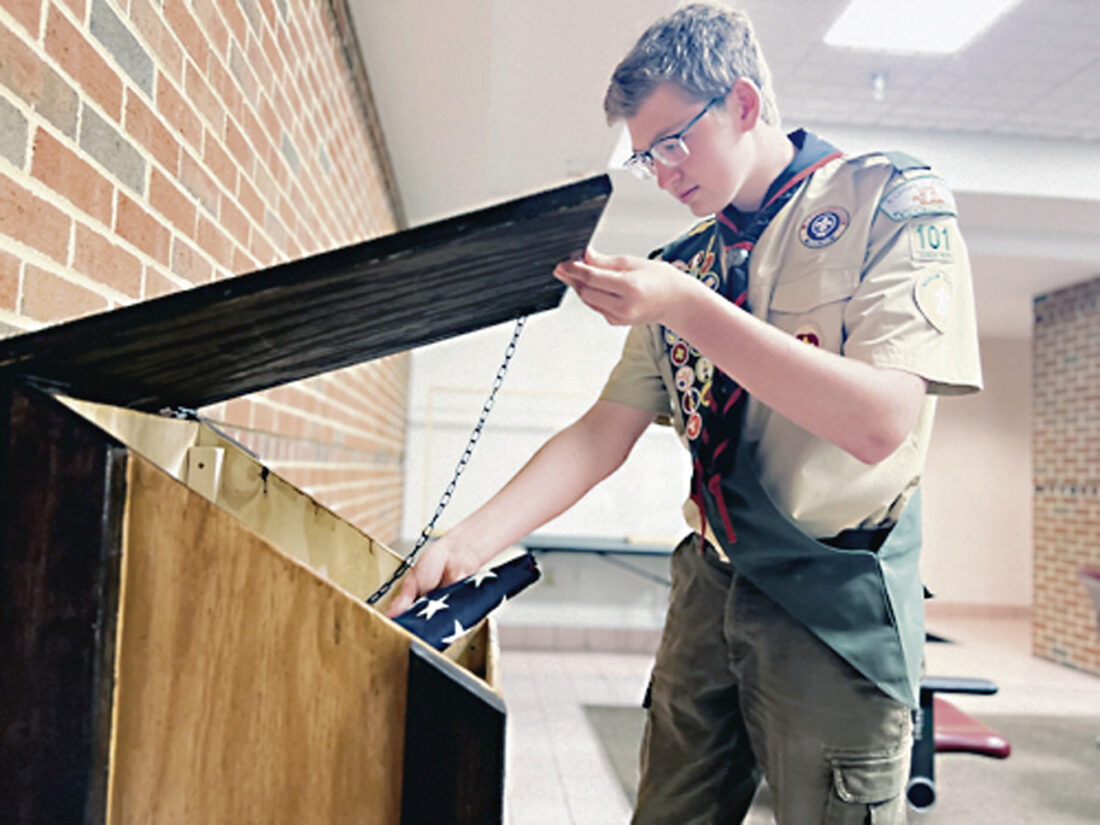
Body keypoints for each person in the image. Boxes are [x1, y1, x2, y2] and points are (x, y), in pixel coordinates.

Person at [387, 3, 982, 822]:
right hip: (711, 581)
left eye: (673, 143)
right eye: (645, 158)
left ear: (743, 103)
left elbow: (878, 422)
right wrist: (463, 542)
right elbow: (604, 432)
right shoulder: (688, 263)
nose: (663, 174)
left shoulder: (888, 198)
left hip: (833, 596)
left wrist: (686, 307)